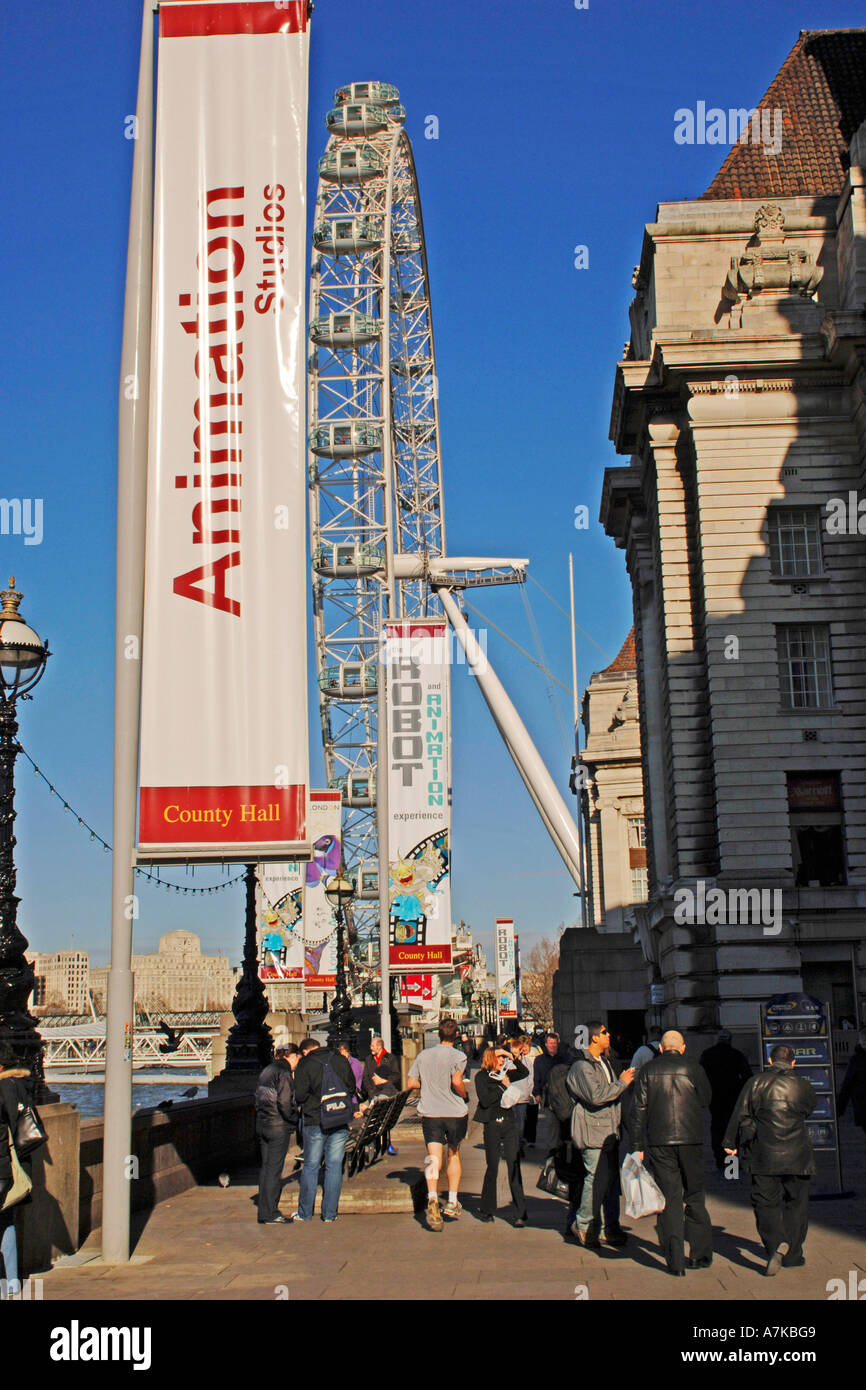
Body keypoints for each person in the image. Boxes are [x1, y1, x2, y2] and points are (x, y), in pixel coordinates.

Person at [724, 1043, 817, 1276]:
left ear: (770, 1060)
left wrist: (730, 1143)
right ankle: (794, 1254)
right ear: (793, 1062)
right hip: (798, 1153)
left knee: (764, 1202)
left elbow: (740, 1113)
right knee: (797, 1204)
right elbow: (808, 1109)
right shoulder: (803, 1085)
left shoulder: (756, 1083)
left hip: (764, 1153)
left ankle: (776, 1242)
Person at [632, 1029, 713, 1276]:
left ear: (661, 1048)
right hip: (690, 1140)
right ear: (683, 1047)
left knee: (670, 1199)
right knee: (695, 1195)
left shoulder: (648, 1070)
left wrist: (637, 1147)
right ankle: (700, 1254)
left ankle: (675, 1261)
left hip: (660, 1140)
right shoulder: (694, 1068)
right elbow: (706, 1099)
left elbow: (638, 1111)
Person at [566, 1021, 634, 1248]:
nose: (609, 1035)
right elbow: (596, 1096)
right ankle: (583, 1224)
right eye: (605, 1032)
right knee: (594, 1178)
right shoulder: (582, 1066)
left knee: (611, 1181)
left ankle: (609, 1227)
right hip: (593, 1132)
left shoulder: (604, 1062)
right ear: (594, 1037)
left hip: (610, 1132)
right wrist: (622, 1083)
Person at [407, 1017, 468, 1231]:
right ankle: (452, 1201)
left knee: (434, 1158)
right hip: (454, 1112)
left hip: (431, 1112)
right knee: (453, 1153)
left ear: (438, 1034)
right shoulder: (459, 1056)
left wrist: (428, 1082)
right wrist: (464, 1094)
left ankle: (432, 1197)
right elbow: (457, 1081)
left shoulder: (424, 1056)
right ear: (456, 1036)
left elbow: (411, 1082)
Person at [292, 1036, 358, 1223]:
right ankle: (330, 1214)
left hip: (315, 1120)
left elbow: (300, 1095)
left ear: (305, 1051)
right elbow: (351, 1087)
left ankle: (305, 1213)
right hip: (339, 1119)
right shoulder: (339, 1059)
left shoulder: (305, 1063)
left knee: (311, 1166)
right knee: (334, 1166)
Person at [474, 1045, 528, 1226]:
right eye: (499, 1058)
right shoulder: (481, 1077)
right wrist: (504, 1087)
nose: (502, 1061)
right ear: (490, 1058)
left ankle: (521, 1212)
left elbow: (524, 1072)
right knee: (493, 1166)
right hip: (491, 1123)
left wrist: (511, 1056)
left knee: (514, 1164)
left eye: (503, 1058)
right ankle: (487, 1208)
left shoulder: (506, 1074)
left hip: (508, 1123)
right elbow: (485, 1100)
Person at [0, 1046, 34, 1298]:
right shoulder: (19, 1084)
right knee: (6, 1221)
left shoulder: (4, 1087)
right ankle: (11, 1282)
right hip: (10, 1167)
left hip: (4, 1165)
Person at [254, 1042, 299, 1224]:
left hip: (263, 1123)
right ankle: (271, 1212)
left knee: (265, 1168)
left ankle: (264, 1210)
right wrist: (294, 1118)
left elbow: (258, 1098)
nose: (297, 1063)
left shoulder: (267, 1070)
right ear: (291, 1056)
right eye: (297, 1058)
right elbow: (285, 1101)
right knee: (274, 1170)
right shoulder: (284, 1072)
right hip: (278, 1126)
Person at [700, 1028, 752, 1171]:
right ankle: (732, 1164)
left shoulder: (707, 1054)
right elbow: (748, 1076)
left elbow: (700, 1076)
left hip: (714, 1096)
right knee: (733, 1127)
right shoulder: (736, 1055)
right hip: (733, 1096)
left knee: (717, 1126)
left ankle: (719, 1160)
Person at [533, 1031, 573, 1157]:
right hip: (548, 1095)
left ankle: (562, 1148)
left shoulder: (564, 1058)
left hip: (563, 1096)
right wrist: (537, 1093)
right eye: (550, 1043)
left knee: (564, 1123)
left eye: (554, 1043)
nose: (552, 1046)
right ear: (545, 1044)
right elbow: (536, 1078)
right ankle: (552, 1148)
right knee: (551, 1123)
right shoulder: (539, 1060)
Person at [838, 1028, 866, 1145]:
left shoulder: (856, 1060)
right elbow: (847, 1084)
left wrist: (840, 1108)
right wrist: (840, 1107)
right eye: (863, 1039)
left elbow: (847, 1084)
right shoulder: (856, 1060)